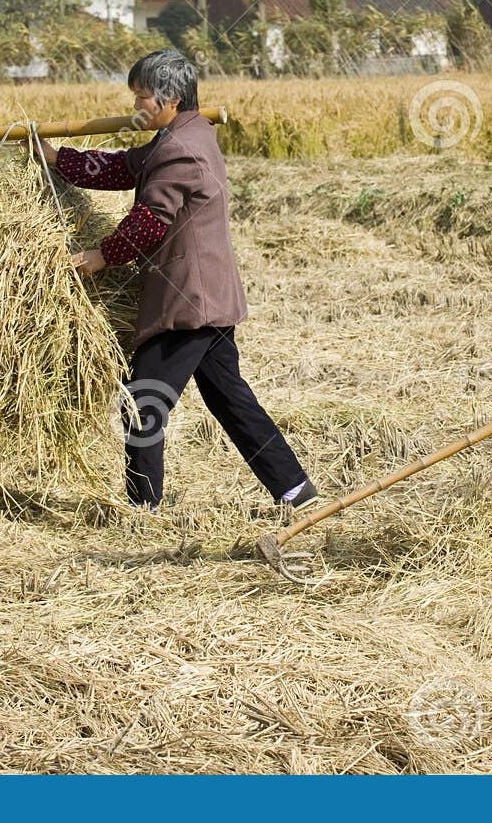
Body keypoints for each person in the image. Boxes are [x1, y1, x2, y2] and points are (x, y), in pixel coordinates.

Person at [36, 49, 318, 512]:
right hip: (205, 299)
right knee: (230, 400)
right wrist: (57, 158)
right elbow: (121, 169)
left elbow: (149, 222)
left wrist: (98, 256)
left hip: (189, 302)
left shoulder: (179, 149)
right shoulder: (184, 134)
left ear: (169, 97)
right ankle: (294, 489)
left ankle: (143, 508)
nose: (136, 107)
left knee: (142, 402)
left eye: (142, 97)